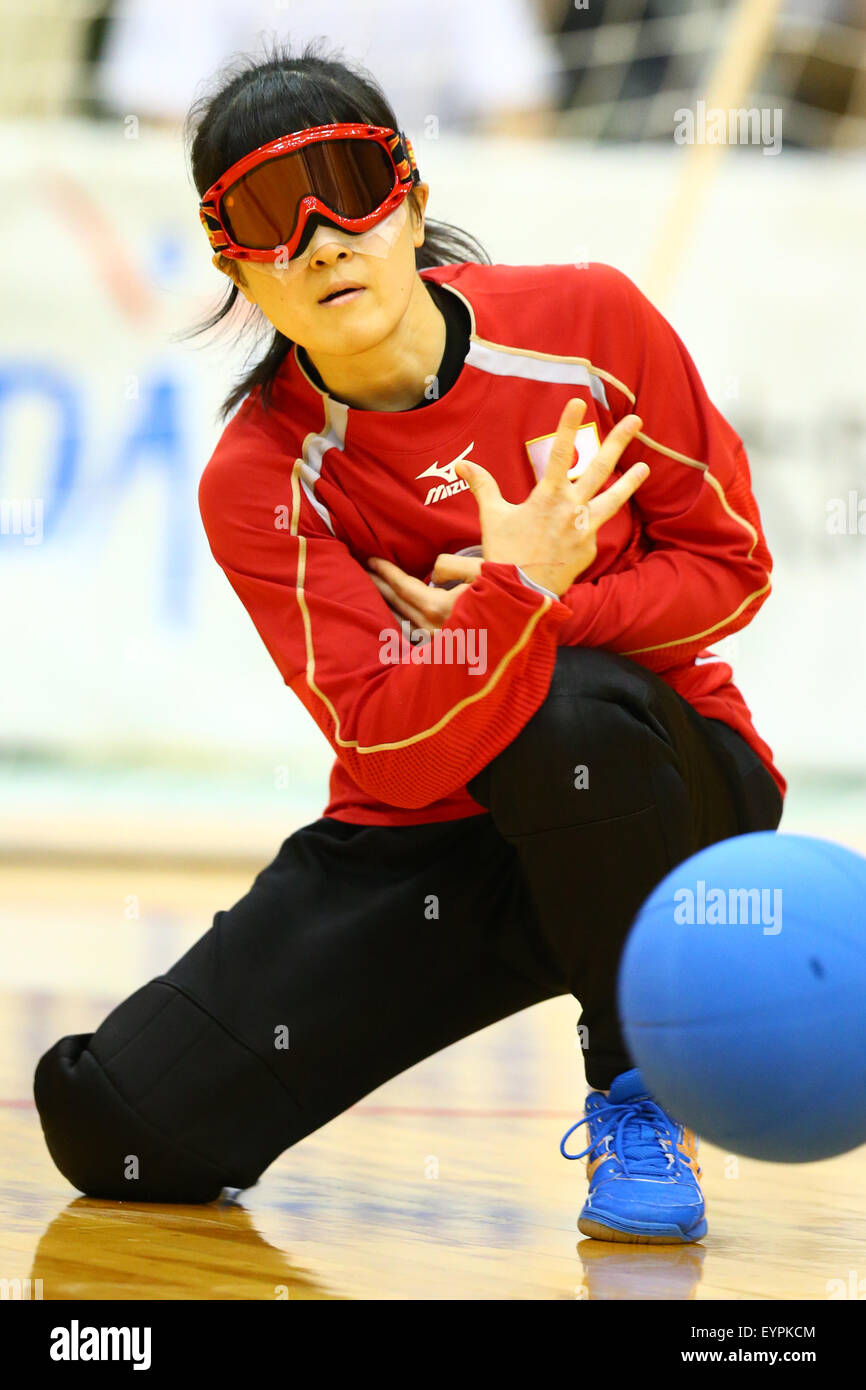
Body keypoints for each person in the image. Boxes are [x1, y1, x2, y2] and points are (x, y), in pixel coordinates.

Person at [34, 41, 785, 1245]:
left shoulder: (590, 321)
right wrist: (509, 602)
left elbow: (732, 563)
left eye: (351, 189)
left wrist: (538, 599)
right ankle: (570, 928)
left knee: (565, 714)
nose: (323, 239)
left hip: (662, 793)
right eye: (272, 217)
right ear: (234, 265)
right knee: (116, 1125)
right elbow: (387, 747)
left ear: (415, 202)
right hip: (432, 838)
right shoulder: (259, 476)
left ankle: (638, 1083)